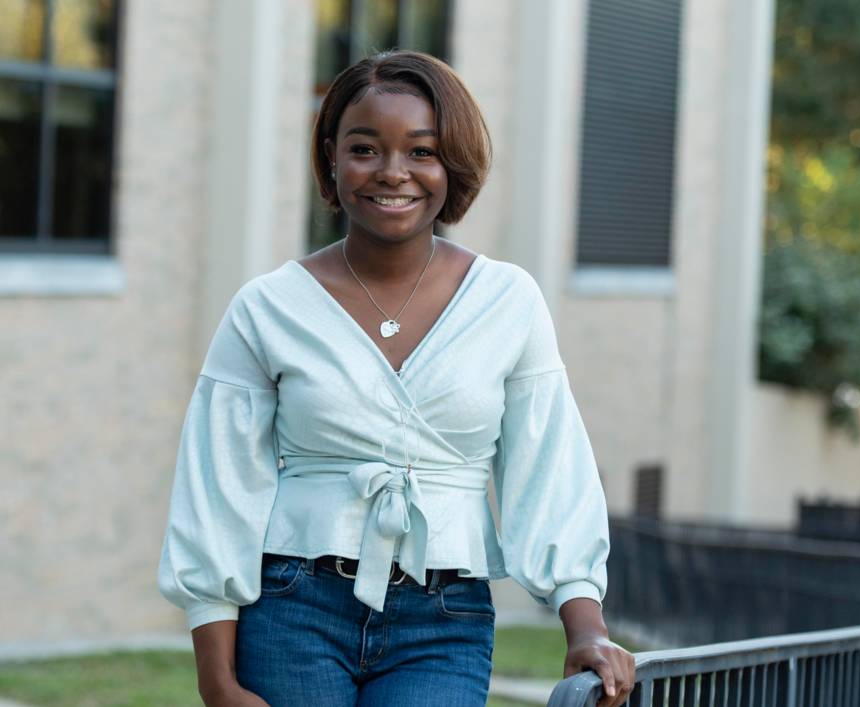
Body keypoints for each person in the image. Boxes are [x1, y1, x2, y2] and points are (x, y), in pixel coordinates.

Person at [158, 49, 635, 707]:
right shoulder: (267, 307)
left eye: (421, 151)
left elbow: (551, 471)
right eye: (364, 148)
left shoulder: (508, 302)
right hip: (293, 608)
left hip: (444, 621)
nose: (392, 172)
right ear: (331, 156)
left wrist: (586, 625)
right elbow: (217, 492)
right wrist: (217, 680)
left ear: (453, 164)